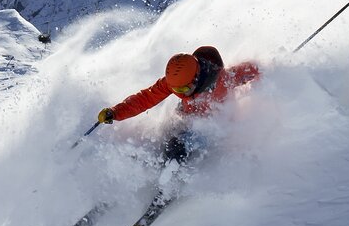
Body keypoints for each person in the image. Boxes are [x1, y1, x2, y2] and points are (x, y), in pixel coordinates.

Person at [97, 45, 260, 166]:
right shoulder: (176, 82)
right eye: (175, 89)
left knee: (180, 145)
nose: (180, 93)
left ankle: (173, 175)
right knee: (167, 136)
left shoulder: (224, 79)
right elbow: (145, 98)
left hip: (213, 127)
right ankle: (155, 164)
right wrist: (115, 112)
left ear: (196, 78)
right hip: (186, 117)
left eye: (183, 89)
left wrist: (268, 84)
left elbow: (257, 69)